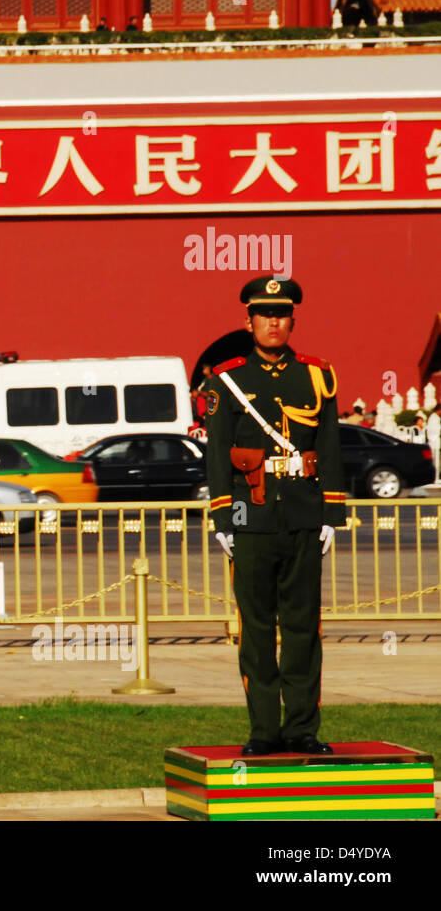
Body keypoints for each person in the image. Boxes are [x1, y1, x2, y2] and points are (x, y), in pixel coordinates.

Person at [204, 276, 345, 757]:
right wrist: (224, 518)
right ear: (249, 321)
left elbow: (328, 445)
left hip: (304, 515)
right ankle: (264, 731)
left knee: (304, 628)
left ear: (292, 320)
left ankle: (303, 728)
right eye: (264, 314)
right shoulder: (226, 379)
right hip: (251, 515)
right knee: (257, 630)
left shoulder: (317, 375)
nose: (272, 322)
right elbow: (218, 452)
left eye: (281, 313)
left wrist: (331, 512)